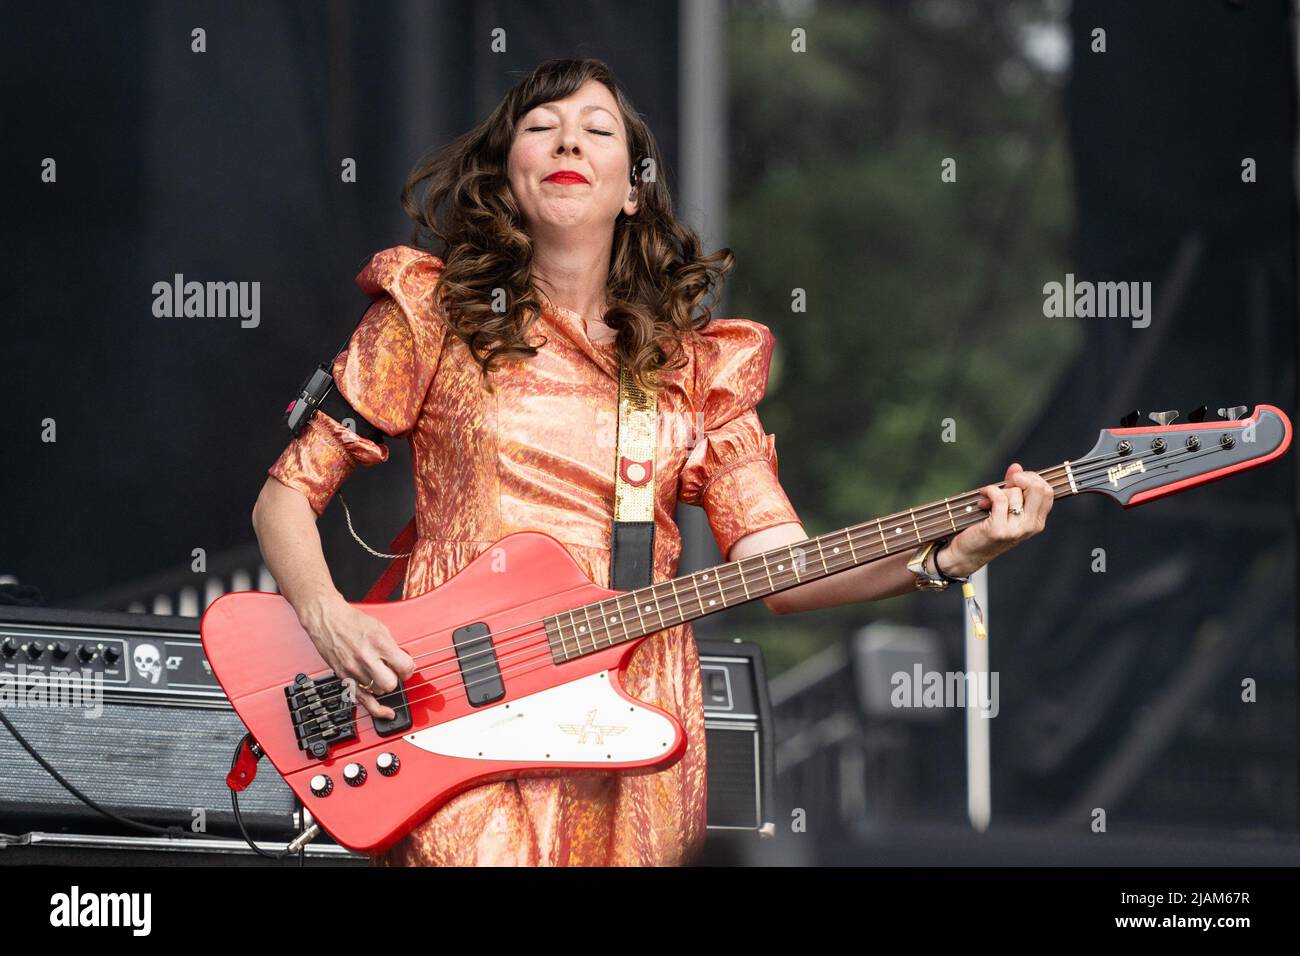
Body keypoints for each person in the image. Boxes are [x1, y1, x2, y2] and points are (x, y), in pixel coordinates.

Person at [251, 57, 1054, 867]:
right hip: (450, 699)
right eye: (541, 127)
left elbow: (782, 572)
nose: (569, 139)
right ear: (505, 172)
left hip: (630, 710)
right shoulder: (431, 315)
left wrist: (951, 557)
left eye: (598, 131)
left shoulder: (692, 369)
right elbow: (283, 497)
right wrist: (328, 616)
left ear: (631, 190)